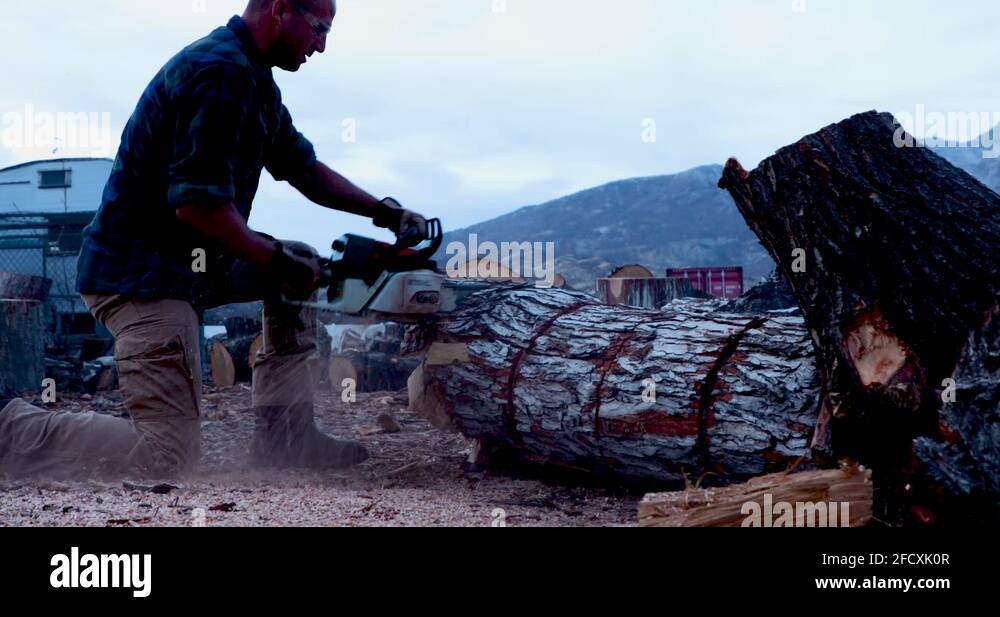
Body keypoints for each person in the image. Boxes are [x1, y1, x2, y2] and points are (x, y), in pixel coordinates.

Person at [0, 0, 427, 479]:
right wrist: (273, 257)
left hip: (191, 264)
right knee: (165, 458)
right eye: (319, 28)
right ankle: (7, 428)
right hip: (141, 276)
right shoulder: (219, 73)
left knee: (297, 267)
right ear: (280, 10)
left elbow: (303, 169)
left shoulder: (255, 81)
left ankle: (287, 441)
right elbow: (198, 206)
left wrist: (384, 212)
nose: (322, 45)